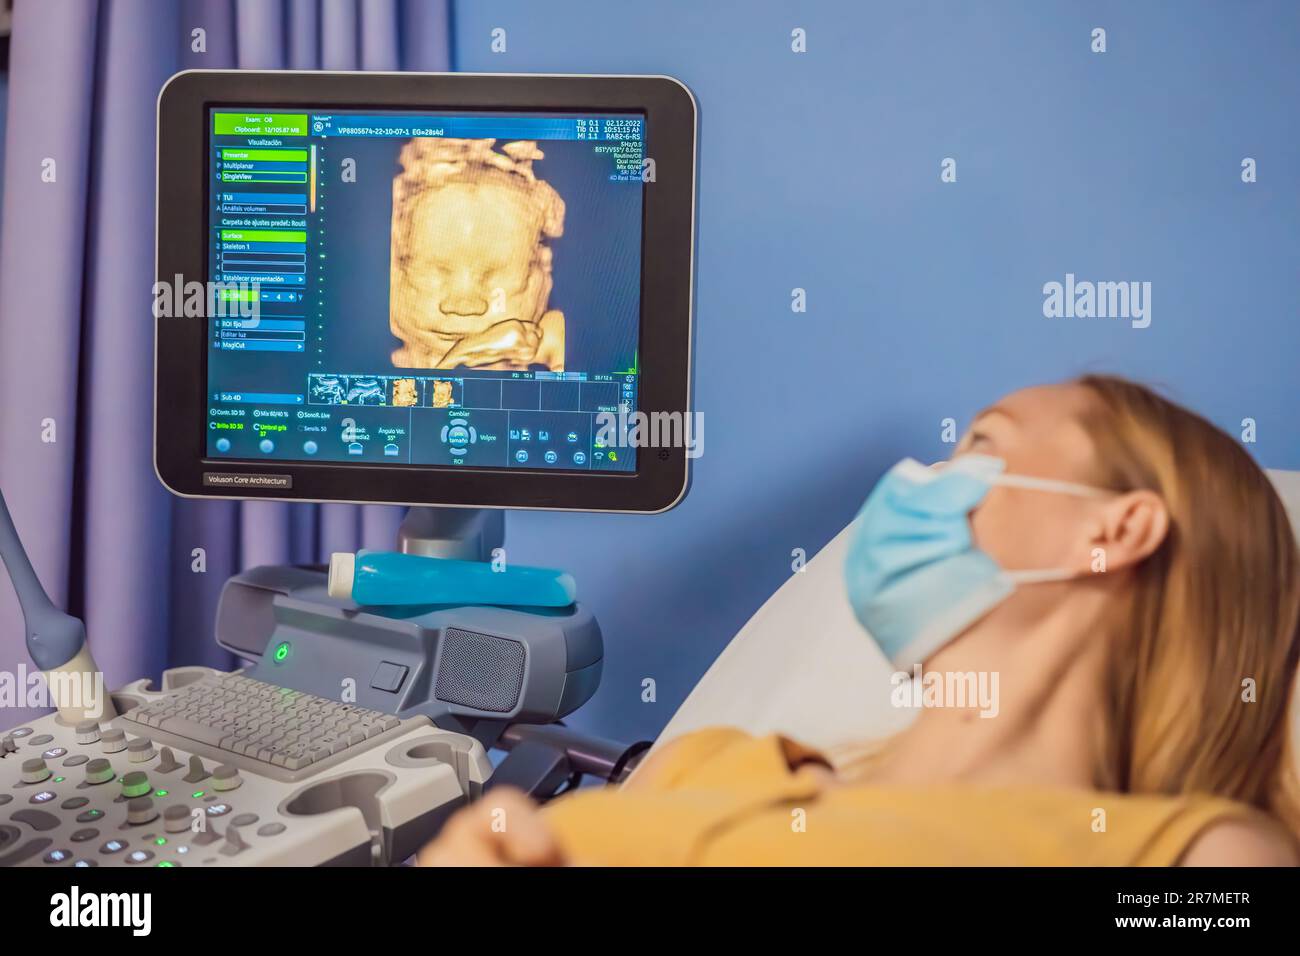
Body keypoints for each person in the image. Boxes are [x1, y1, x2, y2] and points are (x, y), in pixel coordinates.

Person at [419, 375, 1300, 866]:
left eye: (982, 447)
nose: (916, 483)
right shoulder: (712, 762)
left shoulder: (1194, 864)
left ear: (1115, 530)